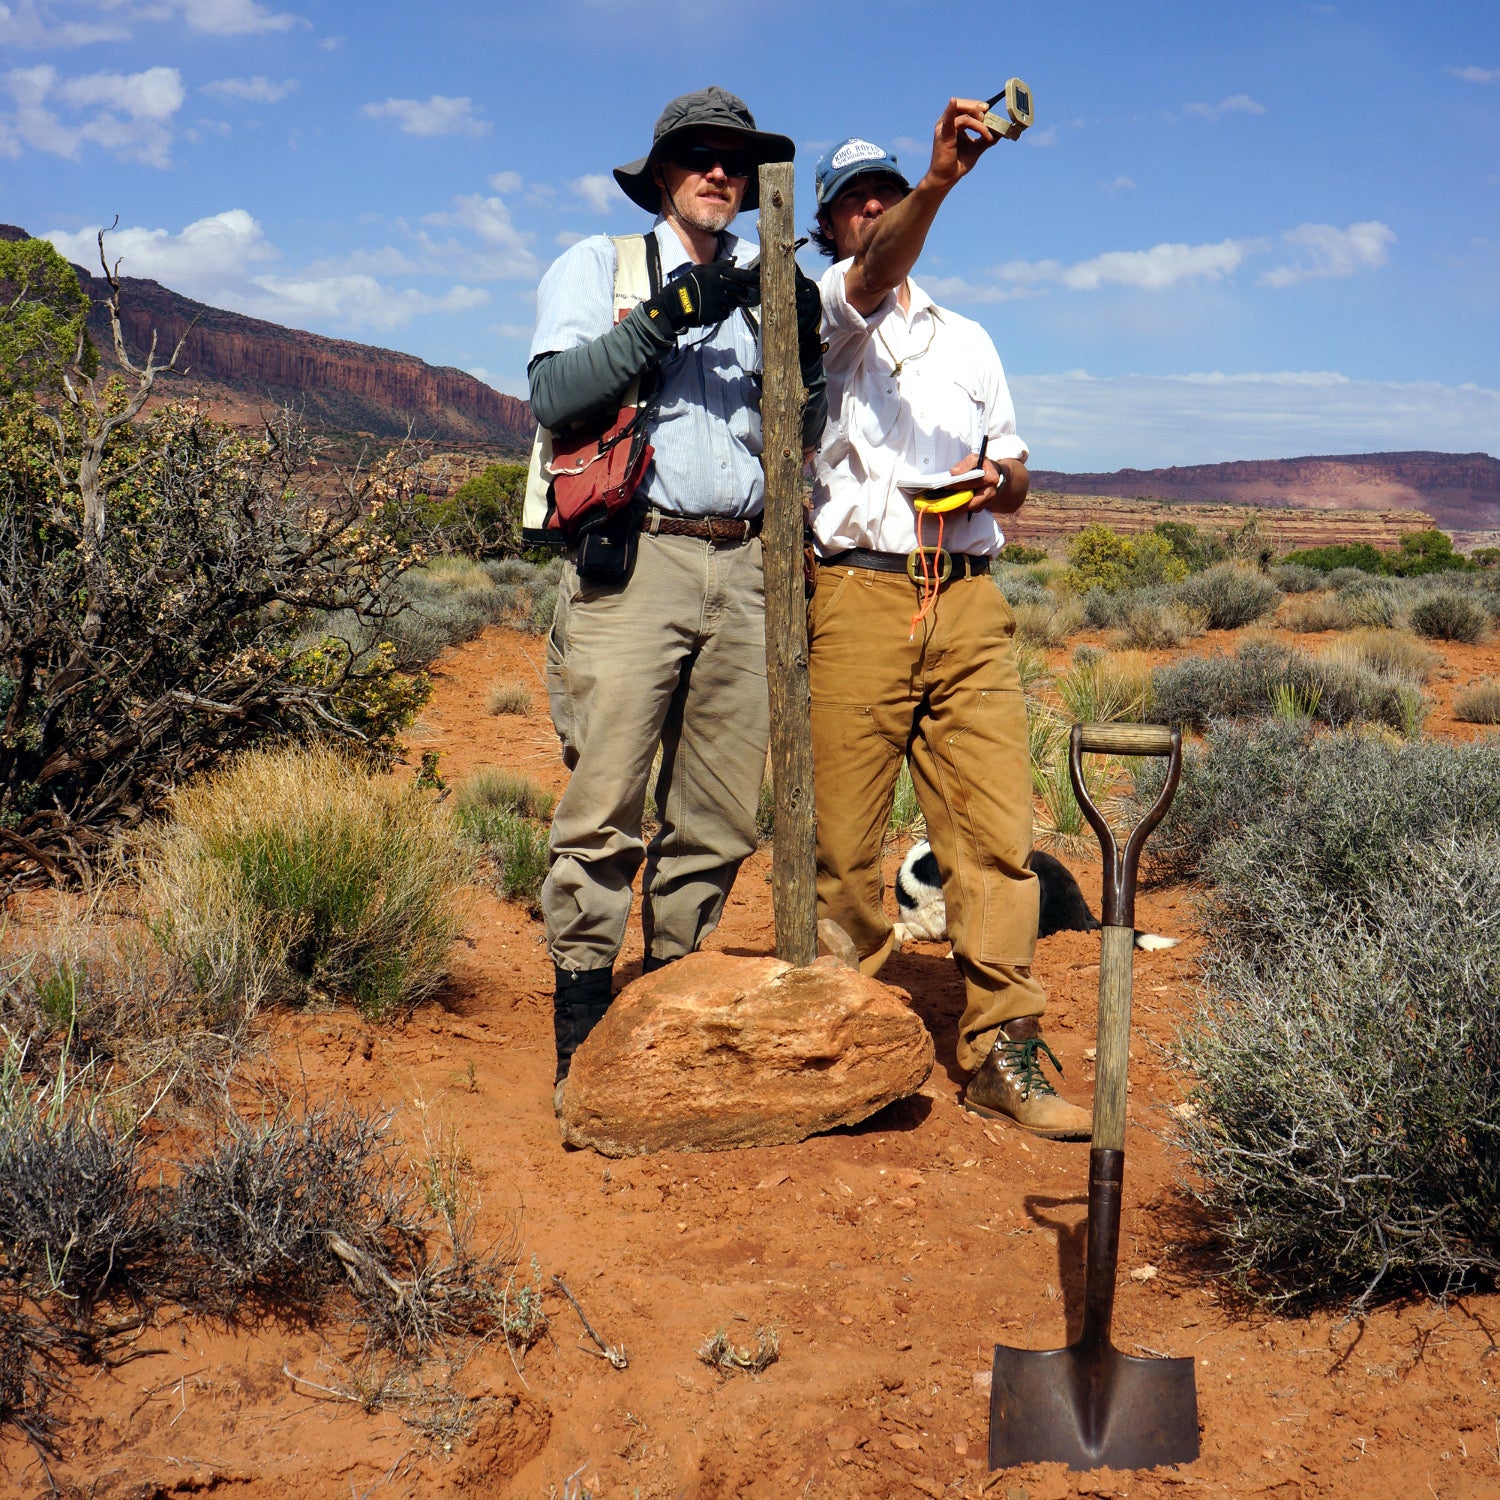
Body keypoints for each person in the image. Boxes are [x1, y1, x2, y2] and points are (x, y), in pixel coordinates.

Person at [528, 86, 826, 1089]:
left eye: (735, 161)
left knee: (719, 810)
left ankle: (664, 1012)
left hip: (747, 564)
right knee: (605, 794)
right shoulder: (598, 268)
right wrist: (659, 320)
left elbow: (797, 428)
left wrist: (807, 354)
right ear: (661, 172)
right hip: (636, 556)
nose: (718, 172)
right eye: (699, 156)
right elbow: (554, 395)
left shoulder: (767, 284)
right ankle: (581, 1030)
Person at [806, 100, 1090, 1139]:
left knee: (995, 838)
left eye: (881, 190)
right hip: (859, 595)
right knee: (845, 845)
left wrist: (994, 486)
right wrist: (937, 185)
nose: (870, 208)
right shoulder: (825, 313)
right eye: (854, 202)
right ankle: (844, 1046)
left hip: (966, 595)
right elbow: (878, 272)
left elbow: (1017, 469)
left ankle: (1001, 1053)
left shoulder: (970, 340)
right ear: (832, 225)